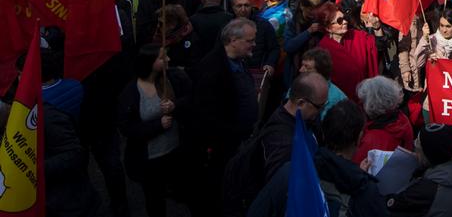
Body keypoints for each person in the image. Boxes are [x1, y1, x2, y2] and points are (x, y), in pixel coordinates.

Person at [190, 18, 260, 216]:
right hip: (223, 147)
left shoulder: (237, 61)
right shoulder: (213, 69)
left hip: (237, 139)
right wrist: (234, 133)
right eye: (249, 40)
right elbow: (208, 115)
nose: (254, 44)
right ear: (232, 40)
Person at [117, 44, 192, 217]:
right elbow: (127, 127)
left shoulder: (173, 78)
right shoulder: (131, 92)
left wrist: (175, 105)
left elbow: (191, 99)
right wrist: (158, 125)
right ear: (149, 62)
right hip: (150, 160)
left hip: (176, 151)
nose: (168, 59)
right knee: (155, 198)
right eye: (162, 57)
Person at [386, 123, 452, 217]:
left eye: (418, 148)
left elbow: (389, 206)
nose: (415, 151)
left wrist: (367, 182)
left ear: (429, 155)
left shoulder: (426, 190)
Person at [259, 71, 330, 181]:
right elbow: (281, 186)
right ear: (301, 103)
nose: (321, 111)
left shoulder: (306, 118)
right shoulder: (283, 144)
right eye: (319, 106)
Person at [313, 2, 380, 100]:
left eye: (344, 18)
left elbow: (379, 46)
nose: (345, 22)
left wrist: (377, 27)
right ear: (328, 28)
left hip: (365, 96)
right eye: (339, 21)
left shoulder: (358, 36)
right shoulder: (323, 49)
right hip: (339, 101)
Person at [353, 76, 414, 164]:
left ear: (370, 103)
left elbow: (355, 166)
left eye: (363, 100)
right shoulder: (401, 119)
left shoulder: (371, 139)